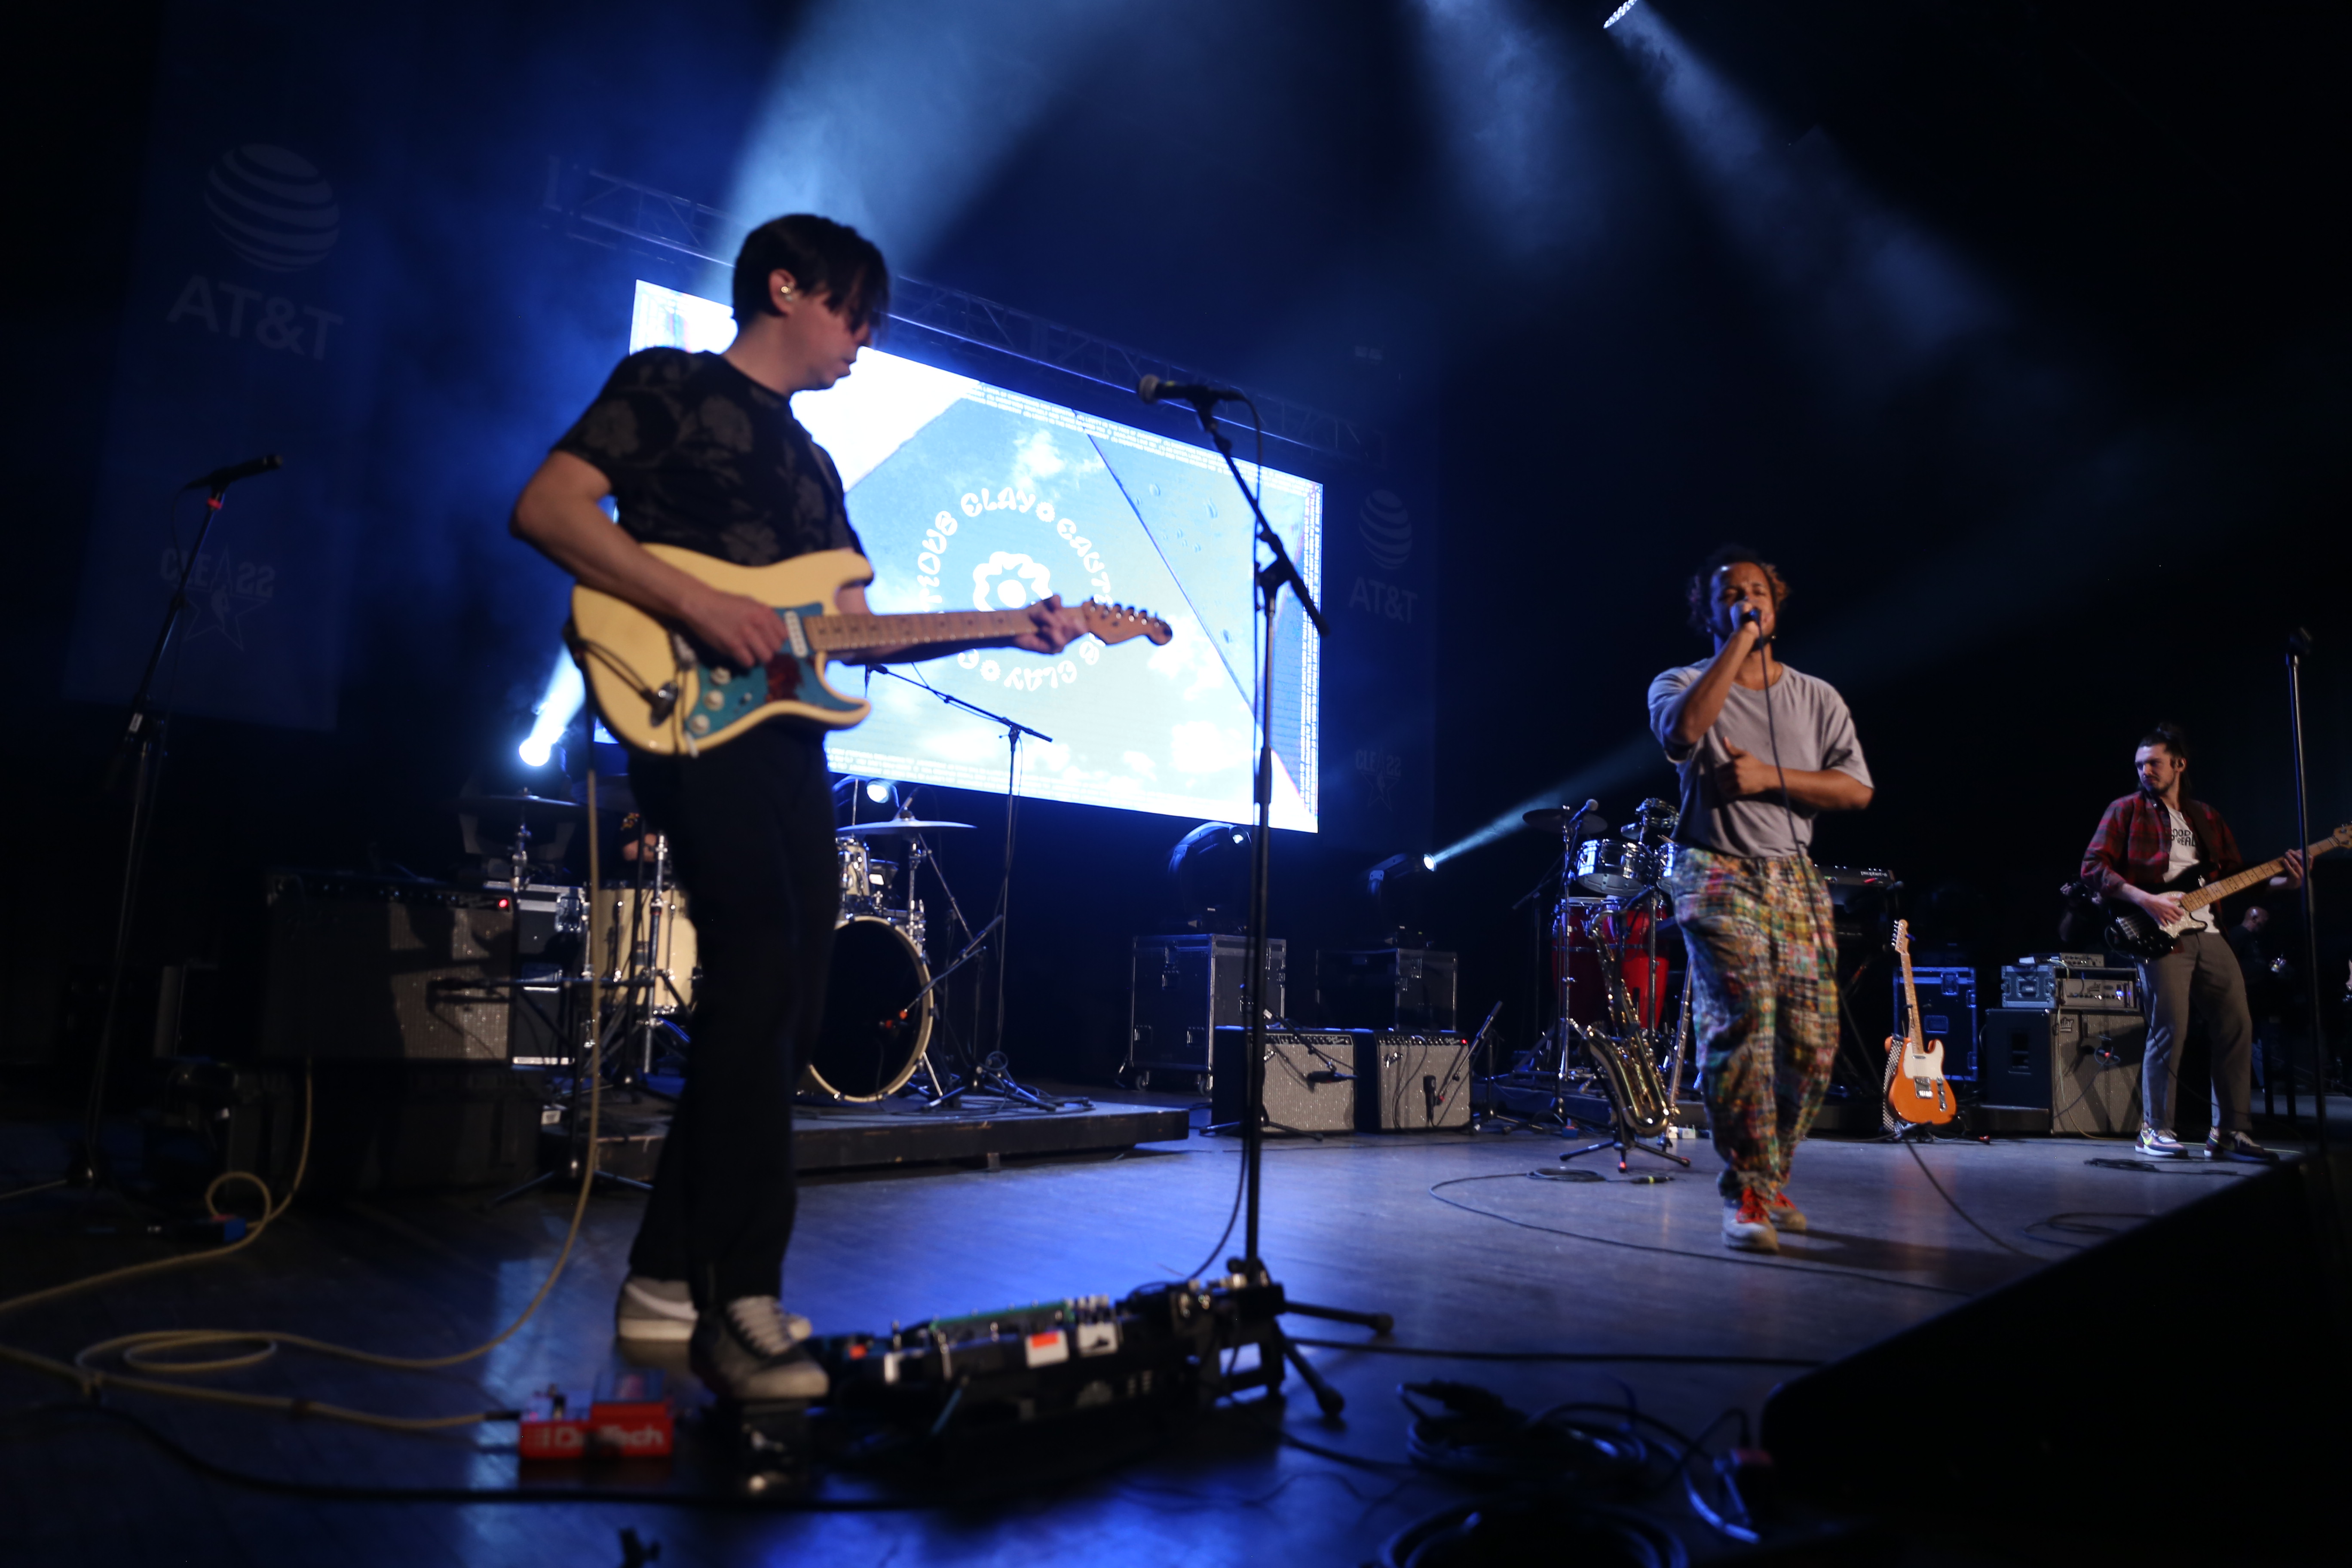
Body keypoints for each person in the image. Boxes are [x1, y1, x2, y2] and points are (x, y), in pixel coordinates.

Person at [510, 214, 1089, 1403]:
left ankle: (663, 1279)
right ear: (785, 286)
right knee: (761, 981)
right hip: (689, 720)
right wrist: (695, 603)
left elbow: (847, 636)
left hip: (787, 745)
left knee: (787, 1002)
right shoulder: (670, 386)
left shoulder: (816, 465)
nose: (864, 339)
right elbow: (551, 510)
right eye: (851, 313)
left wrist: (1009, 627)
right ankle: (744, 1298)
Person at [1648, 545, 1873, 1253]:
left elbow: (1856, 789)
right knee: (1743, 1023)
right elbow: (1683, 732)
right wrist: (1738, 646)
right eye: (1729, 594)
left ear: (1776, 605)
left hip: (1793, 874)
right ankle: (1745, 1187)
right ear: (1708, 611)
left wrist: (1769, 777)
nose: (1746, 599)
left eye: (1757, 592)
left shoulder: (1816, 697)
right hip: (1713, 868)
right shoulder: (1681, 682)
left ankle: (1769, 1175)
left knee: (1813, 1042)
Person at [2079, 722, 2303, 1161]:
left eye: (2154, 763)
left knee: (2236, 1025)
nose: (2145, 771)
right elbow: (2093, 868)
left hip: (2211, 931)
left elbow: (2238, 879)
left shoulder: (2206, 817)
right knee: (2170, 1028)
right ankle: (2154, 1128)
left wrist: (2286, 883)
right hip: (2160, 934)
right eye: (2140, 765)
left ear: (2179, 765)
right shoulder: (2126, 810)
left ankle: (2231, 1132)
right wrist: (2146, 900)